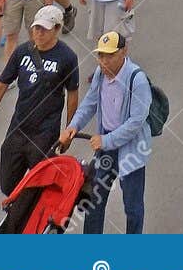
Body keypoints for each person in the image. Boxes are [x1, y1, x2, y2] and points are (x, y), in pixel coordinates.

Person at [0, 5, 80, 195]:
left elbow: (72, 96)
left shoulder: (67, 57)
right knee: (8, 186)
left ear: (57, 29)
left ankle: (30, 219)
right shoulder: (22, 52)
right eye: (36, 28)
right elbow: (1, 85)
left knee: (39, 187)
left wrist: (68, 131)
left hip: (45, 134)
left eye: (44, 29)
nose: (38, 33)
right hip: (18, 129)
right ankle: (16, 212)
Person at [59, 32, 152, 234]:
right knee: (93, 200)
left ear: (124, 52)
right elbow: (89, 104)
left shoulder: (137, 80)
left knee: (132, 206)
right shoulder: (100, 74)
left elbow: (136, 122)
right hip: (106, 150)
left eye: (109, 56)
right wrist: (73, 126)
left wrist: (106, 140)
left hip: (130, 151)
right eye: (101, 56)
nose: (104, 61)